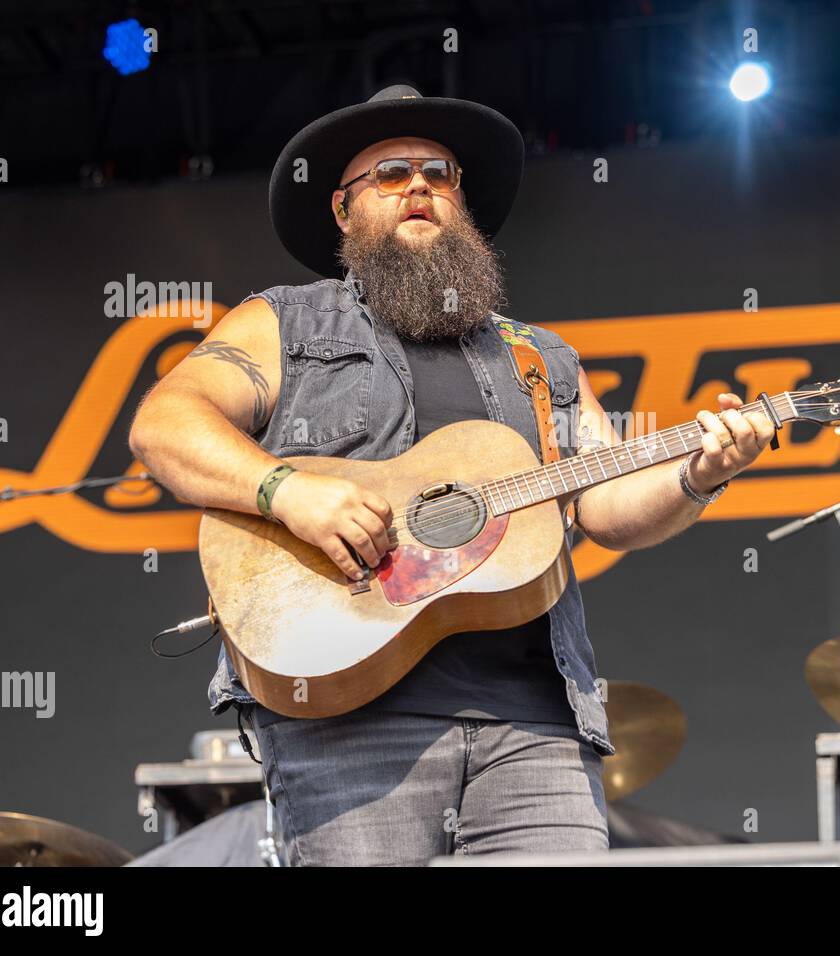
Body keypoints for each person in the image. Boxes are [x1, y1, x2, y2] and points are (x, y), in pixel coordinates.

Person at [129, 85, 776, 865]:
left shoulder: (540, 359)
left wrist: (701, 474)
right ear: (342, 211)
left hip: (535, 724)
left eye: (440, 173)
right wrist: (287, 491)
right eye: (392, 173)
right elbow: (164, 424)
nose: (420, 186)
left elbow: (606, 506)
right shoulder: (287, 323)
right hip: (346, 718)